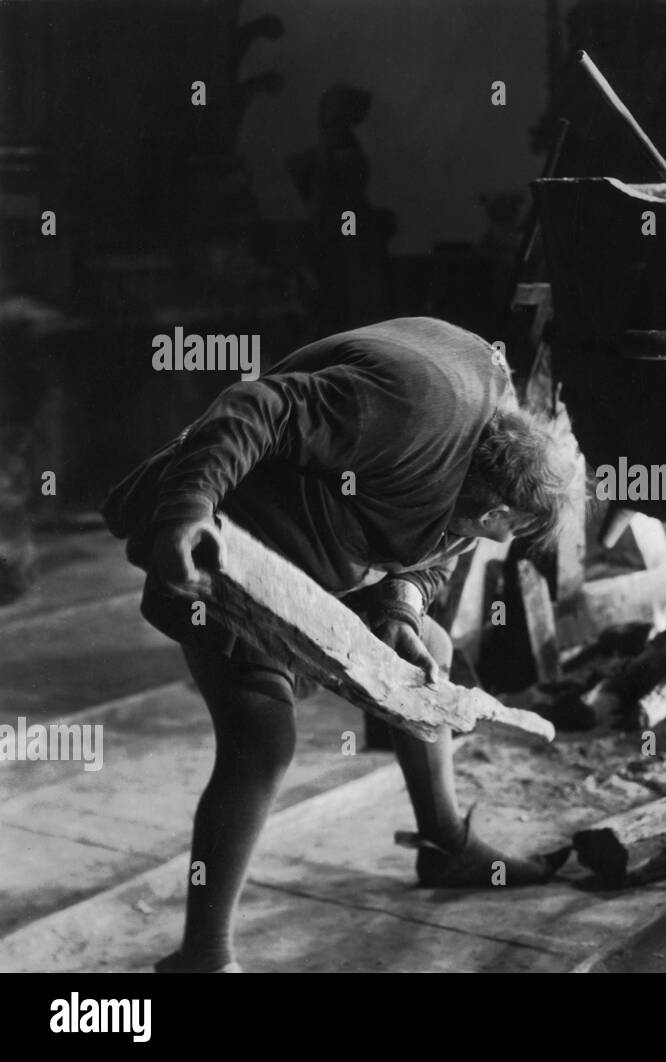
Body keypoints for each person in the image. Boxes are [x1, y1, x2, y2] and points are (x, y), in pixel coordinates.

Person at [102, 317, 579, 973]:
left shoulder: (487, 451)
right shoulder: (409, 410)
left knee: (425, 666)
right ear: (500, 513)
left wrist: (401, 611)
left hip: (334, 550)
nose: (493, 542)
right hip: (232, 541)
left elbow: (442, 550)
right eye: (504, 531)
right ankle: (203, 956)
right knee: (261, 738)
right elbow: (258, 405)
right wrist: (191, 504)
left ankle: (446, 846)